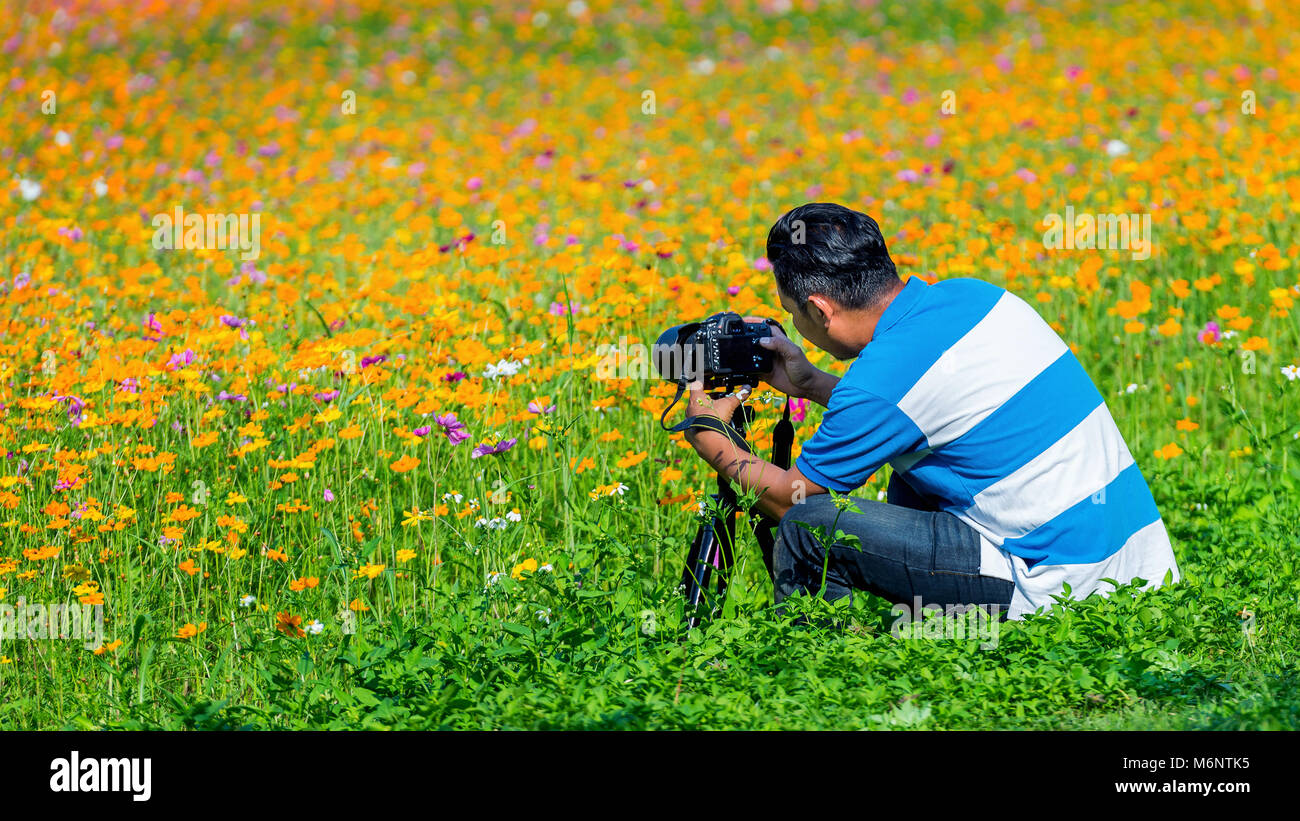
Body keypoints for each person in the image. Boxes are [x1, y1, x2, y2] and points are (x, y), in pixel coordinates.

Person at [681, 202, 1180, 621]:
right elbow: (927, 404)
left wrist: (711, 438)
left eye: (792, 313)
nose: (794, 323)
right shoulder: (974, 297)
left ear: (820, 309)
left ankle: (821, 675)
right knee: (912, 467)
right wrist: (810, 384)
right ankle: (909, 637)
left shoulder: (879, 385)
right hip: (1140, 568)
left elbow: (792, 502)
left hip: (1063, 589)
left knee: (809, 527)